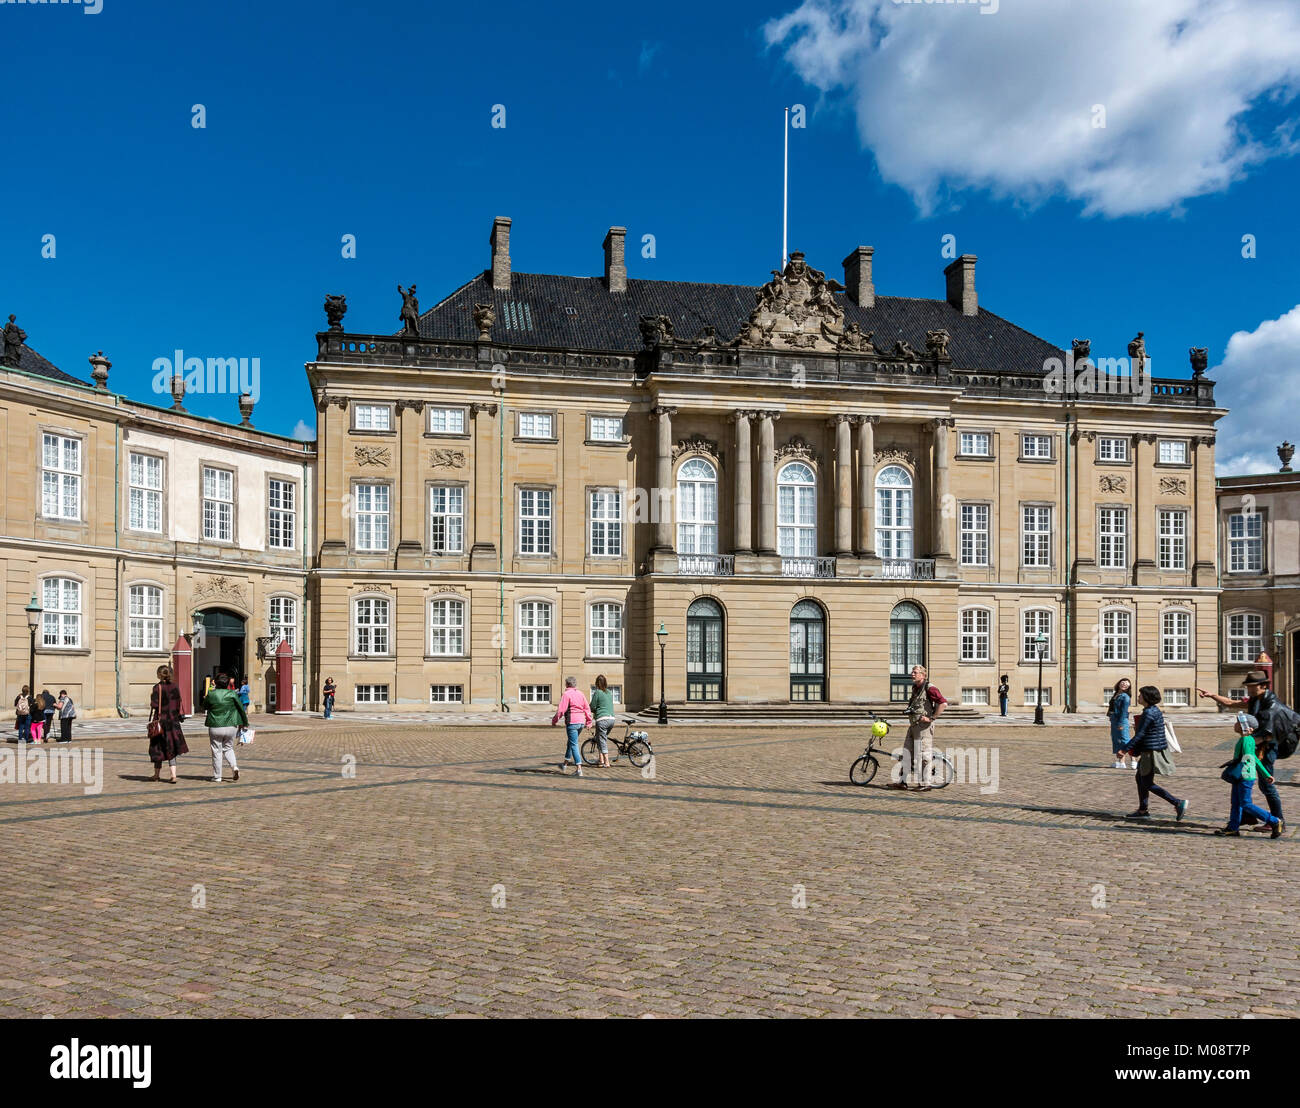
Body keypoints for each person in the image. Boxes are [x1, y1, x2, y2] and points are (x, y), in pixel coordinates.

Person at [1197, 671, 1285, 832]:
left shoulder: (1271, 705)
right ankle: (1240, 821)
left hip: (1266, 749)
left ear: (1263, 686)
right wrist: (1212, 695)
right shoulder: (1254, 701)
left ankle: (1277, 821)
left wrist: (1248, 739)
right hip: (1251, 753)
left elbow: (1271, 734)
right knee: (1239, 798)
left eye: (1252, 687)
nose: (1249, 689)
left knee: (1266, 787)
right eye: (1248, 686)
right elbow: (1231, 703)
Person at [1119, 686, 1188, 821]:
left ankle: (1177, 802)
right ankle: (1143, 810)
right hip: (1151, 749)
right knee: (1140, 779)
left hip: (1150, 752)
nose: (1138, 697)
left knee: (1147, 783)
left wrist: (1125, 750)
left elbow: (1140, 735)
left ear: (1147, 697)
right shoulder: (1152, 710)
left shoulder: (1149, 713)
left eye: (1140, 695)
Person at [1215, 713, 1285, 838]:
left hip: (1244, 776)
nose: (1235, 724)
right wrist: (1265, 774)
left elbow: (1250, 757)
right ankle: (1233, 827)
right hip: (1242, 775)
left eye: (1237, 722)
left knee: (1246, 804)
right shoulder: (1248, 739)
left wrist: (1262, 774)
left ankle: (1275, 821)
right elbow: (1256, 759)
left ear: (1244, 726)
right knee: (1236, 802)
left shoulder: (1246, 739)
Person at [891, 665, 947, 791]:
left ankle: (925, 784)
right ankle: (902, 782)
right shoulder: (915, 687)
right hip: (914, 725)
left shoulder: (930, 688)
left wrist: (932, 718)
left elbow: (943, 703)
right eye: (912, 672)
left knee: (923, 755)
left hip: (924, 728)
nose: (912, 674)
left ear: (923, 675)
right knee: (906, 753)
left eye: (915, 672)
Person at [203, 673, 249, 783]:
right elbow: (241, 709)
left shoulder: (211, 694)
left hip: (216, 725)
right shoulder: (232, 694)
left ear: (216, 683)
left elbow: (204, 706)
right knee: (228, 748)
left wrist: (207, 698)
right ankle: (234, 767)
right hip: (231, 724)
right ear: (227, 683)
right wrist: (245, 723)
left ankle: (217, 776)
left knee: (216, 751)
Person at [149, 664, 189, 783]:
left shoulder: (157, 687)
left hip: (161, 721)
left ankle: (156, 774)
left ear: (159, 675)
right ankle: (173, 775)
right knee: (171, 747)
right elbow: (178, 703)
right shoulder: (175, 687)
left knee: (158, 747)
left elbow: (154, 704)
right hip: (173, 721)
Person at [551, 676, 593, 777]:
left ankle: (579, 769)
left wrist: (554, 720)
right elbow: (587, 708)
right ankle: (565, 764)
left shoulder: (566, 694)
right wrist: (589, 721)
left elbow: (561, 710)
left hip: (572, 722)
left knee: (574, 744)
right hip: (581, 722)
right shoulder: (581, 693)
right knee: (571, 742)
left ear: (567, 684)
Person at [590, 675, 616, 768]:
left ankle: (607, 762)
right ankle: (600, 760)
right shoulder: (609, 692)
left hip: (602, 719)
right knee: (600, 739)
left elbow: (592, 706)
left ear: (597, 683)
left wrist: (593, 710)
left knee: (602, 740)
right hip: (612, 719)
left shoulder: (597, 692)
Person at [1107, 678, 1133, 770]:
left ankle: (1133, 760)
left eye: (1126, 684)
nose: (1124, 685)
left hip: (1121, 720)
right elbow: (1112, 707)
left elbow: (1123, 711)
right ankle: (1121, 762)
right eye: (1123, 683)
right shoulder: (1116, 694)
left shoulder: (1125, 697)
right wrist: (1110, 716)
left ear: (1129, 687)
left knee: (1125, 740)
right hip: (1114, 719)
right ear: (1119, 683)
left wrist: (1121, 723)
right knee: (1117, 740)